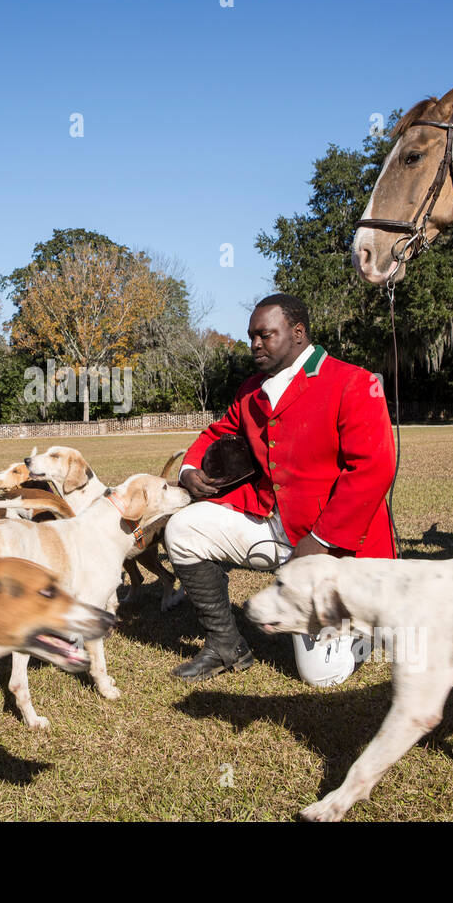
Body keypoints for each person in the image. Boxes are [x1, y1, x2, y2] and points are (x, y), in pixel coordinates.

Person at [165, 293, 396, 684]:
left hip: (337, 546)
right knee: (182, 530)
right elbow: (221, 431)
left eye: (264, 335)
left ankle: (366, 628)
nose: (254, 344)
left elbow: (374, 469)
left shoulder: (353, 382)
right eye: (251, 336)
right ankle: (226, 645)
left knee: (323, 675)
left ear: (298, 333)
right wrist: (189, 468)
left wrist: (320, 540)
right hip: (272, 525)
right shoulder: (251, 389)